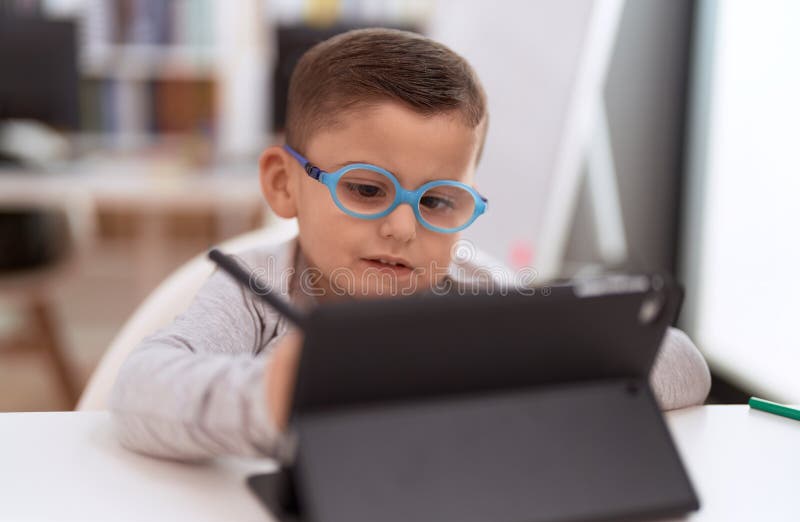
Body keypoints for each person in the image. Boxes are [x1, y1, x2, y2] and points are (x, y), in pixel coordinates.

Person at [110, 28, 711, 461]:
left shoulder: (475, 288)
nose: (403, 228)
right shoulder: (256, 292)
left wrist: (540, 363)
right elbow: (139, 391)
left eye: (437, 202)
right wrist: (273, 398)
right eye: (368, 190)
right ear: (283, 183)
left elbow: (685, 364)